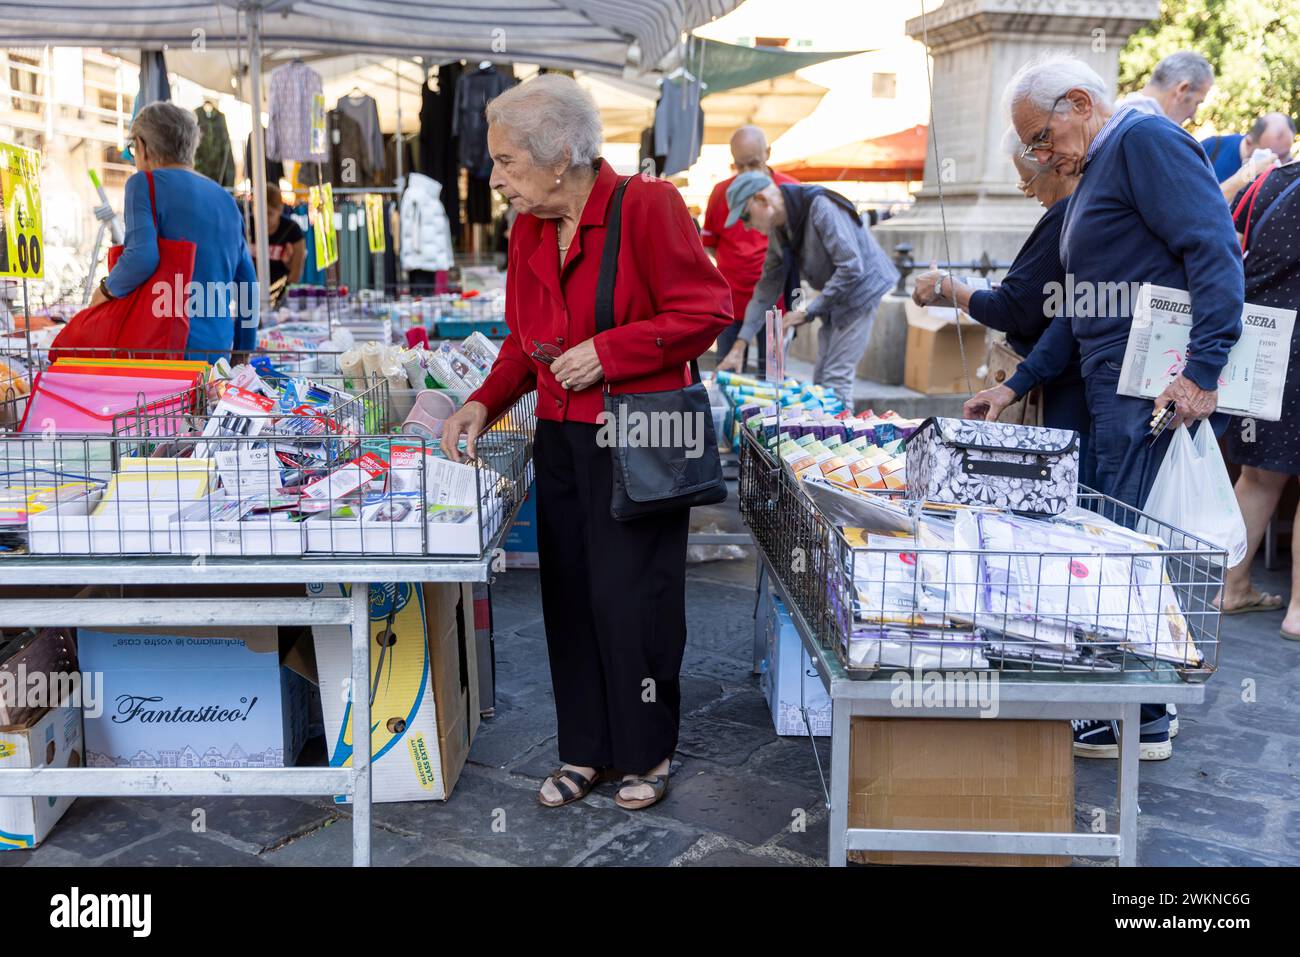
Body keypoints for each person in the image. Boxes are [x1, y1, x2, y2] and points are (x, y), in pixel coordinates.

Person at [439, 75, 732, 811]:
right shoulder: (529, 226)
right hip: (563, 434)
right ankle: (587, 749)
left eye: (506, 161)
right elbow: (524, 340)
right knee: (567, 592)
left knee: (633, 596)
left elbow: (707, 308)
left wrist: (611, 350)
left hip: (642, 432)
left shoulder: (649, 206)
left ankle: (647, 748)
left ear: (560, 153)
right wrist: (482, 399)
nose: (494, 177)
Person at [969, 53, 1244, 761]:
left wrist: (1203, 369)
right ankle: (1132, 707)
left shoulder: (1144, 141)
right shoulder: (1100, 167)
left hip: (1146, 389)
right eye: (1034, 145)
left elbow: (1214, 249)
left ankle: (1137, 713)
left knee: (1127, 545)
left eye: (1039, 138)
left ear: (1078, 105)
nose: (1041, 155)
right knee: (1117, 542)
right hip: (1113, 386)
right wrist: (1016, 380)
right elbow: (1079, 307)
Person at [914, 127, 1088, 456]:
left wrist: (946, 286)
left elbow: (1014, 309)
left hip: (1060, 392)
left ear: (1054, 166)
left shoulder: (1066, 215)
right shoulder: (1076, 213)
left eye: (1027, 180)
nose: (1025, 191)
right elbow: (1045, 299)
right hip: (1056, 381)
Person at [715, 172, 899, 408]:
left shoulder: (820, 206)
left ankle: (839, 439)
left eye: (746, 216)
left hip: (860, 291)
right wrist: (740, 345)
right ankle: (827, 435)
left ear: (762, 200)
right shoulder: (781, 228)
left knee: (835, 383)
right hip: (836, 296)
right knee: (821, 382)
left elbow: (852, 268)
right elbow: (766, 288)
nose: (748, 226)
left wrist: (808, 311)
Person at [89, 102, 258, 359]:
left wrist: (104, 291)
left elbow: (141, 257)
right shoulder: (225, 198)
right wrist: (243, 350)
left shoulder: (143, 184)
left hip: (166, 350)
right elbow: (247, 283)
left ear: (143, 147)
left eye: (134, 148)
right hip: (217, 349)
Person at [1216, 155, 1300, 638]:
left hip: (1262, 345)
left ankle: (1232, 587)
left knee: (1258, 477)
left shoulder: (1269, 179)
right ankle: (1298, 613)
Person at [701, 126, 798, 376]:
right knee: (727, 376)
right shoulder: (722, 192)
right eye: (739, 166)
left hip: (775, 305)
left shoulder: (789, 190)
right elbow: (709, 243)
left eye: (752, 164)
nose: (746, 173)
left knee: (773, 378)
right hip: (730, 305)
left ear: (767, 153)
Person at [1202, 113, 1296, 202]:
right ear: (1249, 142)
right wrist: (1248, 174)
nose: (1279, 163)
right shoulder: (1210, 148)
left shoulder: (1288, 169)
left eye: (1284, 155)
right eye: (1269, 156)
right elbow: (1201, 205)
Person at [246, 184, 305, 308]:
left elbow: (296, 270)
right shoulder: (246, 226)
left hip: (281, 294)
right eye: (260, 212)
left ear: (280, 210)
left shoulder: (292, 230)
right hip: (247, 292)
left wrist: (281, 299)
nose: (264, 218)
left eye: (269, 213)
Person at [1117, 50, 1213, 125]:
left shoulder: (1117, 115)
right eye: (1196, 103)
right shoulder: (1151, 131)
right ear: (1182, 89)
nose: (1193, 116)